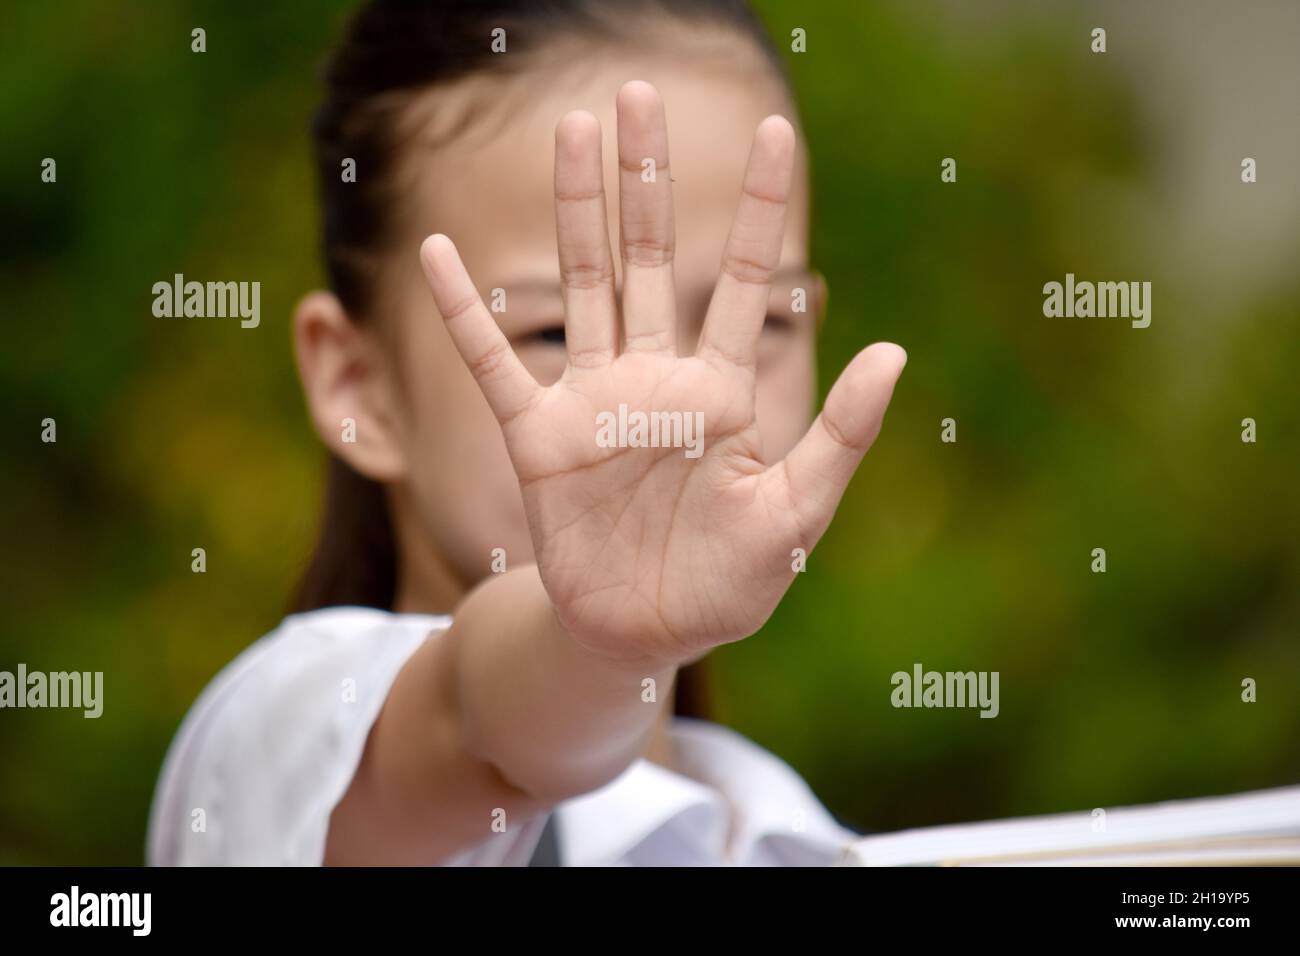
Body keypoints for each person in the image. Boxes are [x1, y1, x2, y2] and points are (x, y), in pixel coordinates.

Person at [148, 0, 906, 867]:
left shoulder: (788, 836)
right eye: (555, 332)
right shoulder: (283, 753)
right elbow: (475, 721)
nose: (678, 409)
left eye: (761, 319)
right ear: (357, 382)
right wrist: (601, 647)